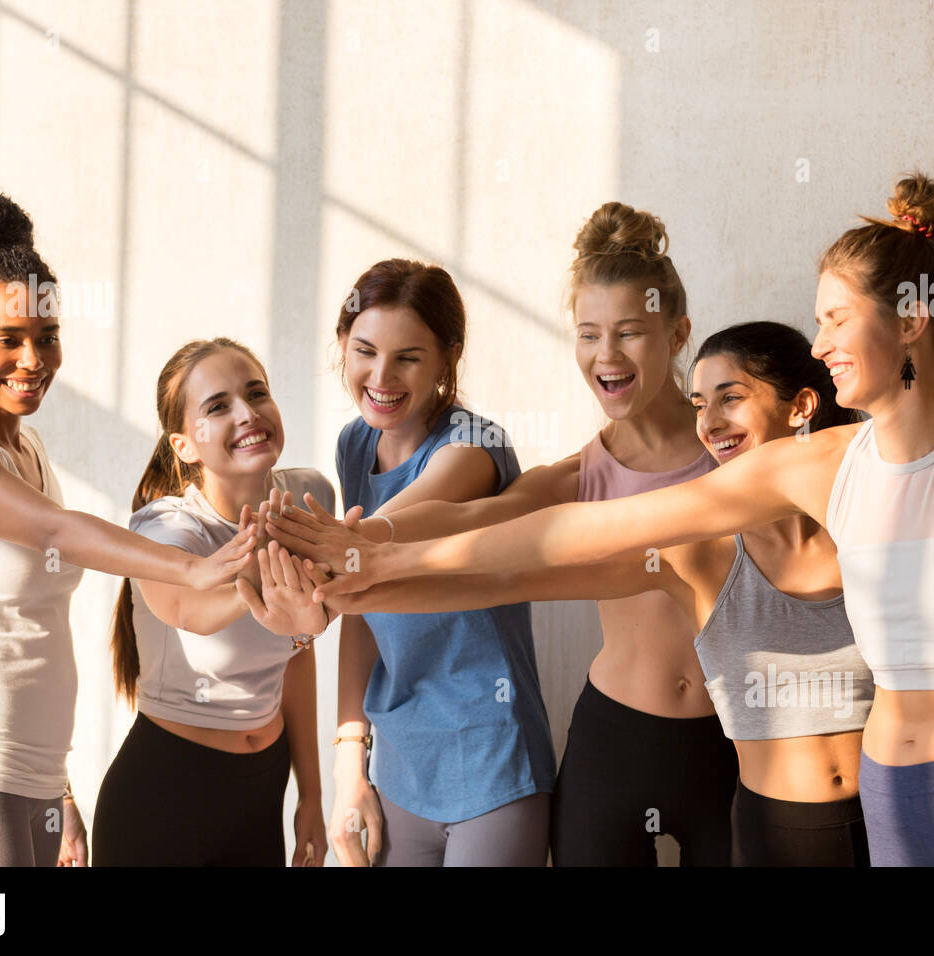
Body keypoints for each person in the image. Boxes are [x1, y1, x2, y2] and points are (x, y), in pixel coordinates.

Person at [301, 174, 934, 867]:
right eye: (819, 321)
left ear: (911, 320)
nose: (824, 341)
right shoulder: (810, 468)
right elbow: (569, 541)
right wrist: (367, 553)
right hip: (887, 799)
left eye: (837, 320)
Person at [280, 322, 875, 865]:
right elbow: (518, 569)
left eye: (732, 398)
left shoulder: (871, 519)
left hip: (882, 815)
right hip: (769, 828)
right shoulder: (692, 549)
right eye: (700, 403)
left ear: (801, 408)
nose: (710, 422)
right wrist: (357, 587)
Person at [283, 203, 739, 866]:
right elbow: (472, 520)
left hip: (729, 740)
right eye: (588, 334)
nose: (605, 355)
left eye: (629, 333)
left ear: (678, 333)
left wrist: (357, 551)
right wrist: (363, 542)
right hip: (614, 739)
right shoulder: (581, 474)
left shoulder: (736, 453)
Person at [0, 195, 256, 867]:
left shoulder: (28, 454)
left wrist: (58, 791)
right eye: (8, 339)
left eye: (47, 337)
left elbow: (28, 640)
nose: (33, 359)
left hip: (29, 785)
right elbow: (58, 529)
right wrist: (194, 567)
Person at [327, 258, 556, 866]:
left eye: (408, 357)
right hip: (399, 763)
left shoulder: (477, 444)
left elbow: (414, 515)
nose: (381, 376)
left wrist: (342, 546)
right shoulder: (355, 444)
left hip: (491, 756)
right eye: (365, 350)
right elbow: (362, 610)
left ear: (447, 359)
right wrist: (350, 761)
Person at [92, 339, 334, 866]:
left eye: (257, 394)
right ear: (183, 445)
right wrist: (262, 567)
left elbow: (296, 650)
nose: (248, 414)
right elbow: (189, 611)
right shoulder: (166, 528)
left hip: (262, 789)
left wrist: (311, 794)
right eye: (218, 406)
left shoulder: (311, 497)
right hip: (164, 797)